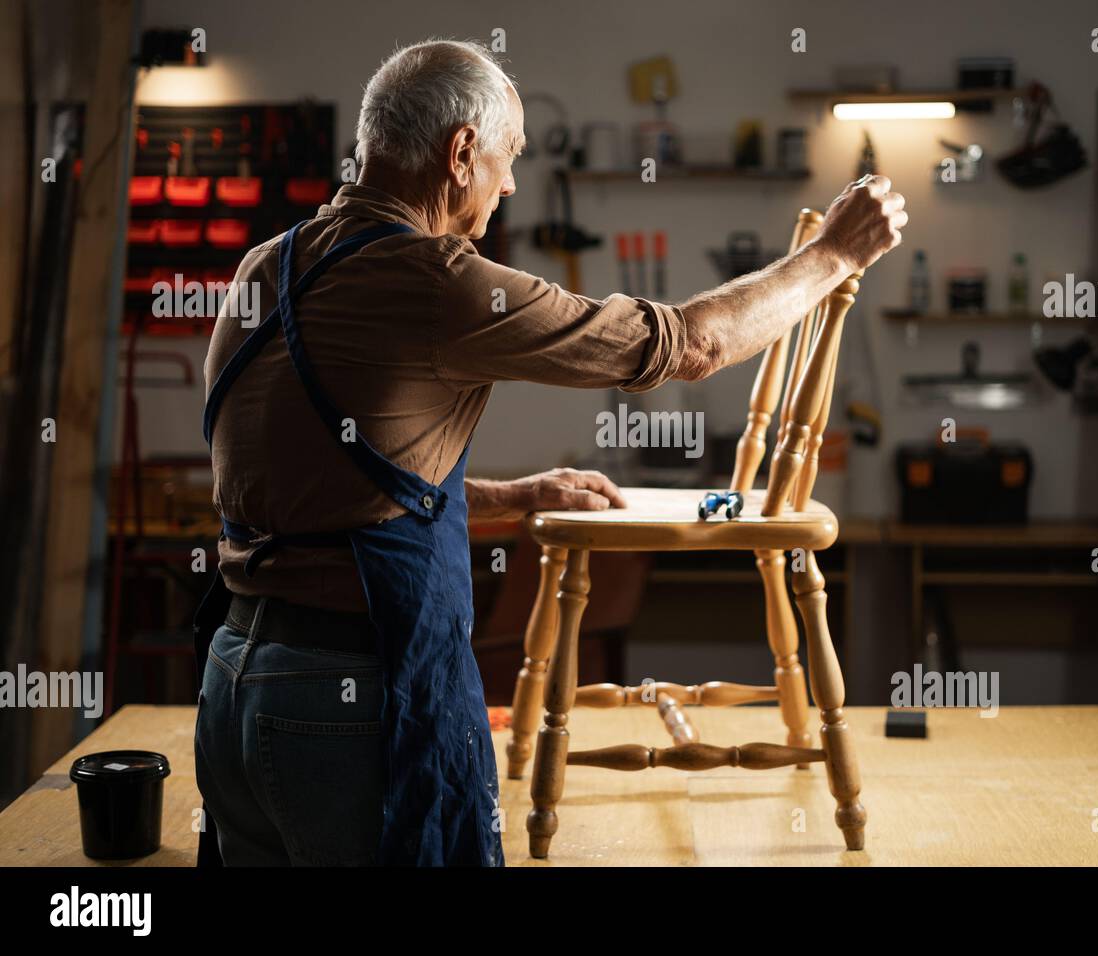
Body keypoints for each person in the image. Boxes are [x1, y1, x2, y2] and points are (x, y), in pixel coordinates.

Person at [194, 37, 907, 866]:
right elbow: (687, 346)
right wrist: (834, 255)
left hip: (234, 683)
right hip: (350, 701)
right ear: (462, 152)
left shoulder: (264, 268)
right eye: (508, 158)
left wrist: (514, 495)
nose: (510, 185)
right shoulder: (439, 279)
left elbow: (324, 488)